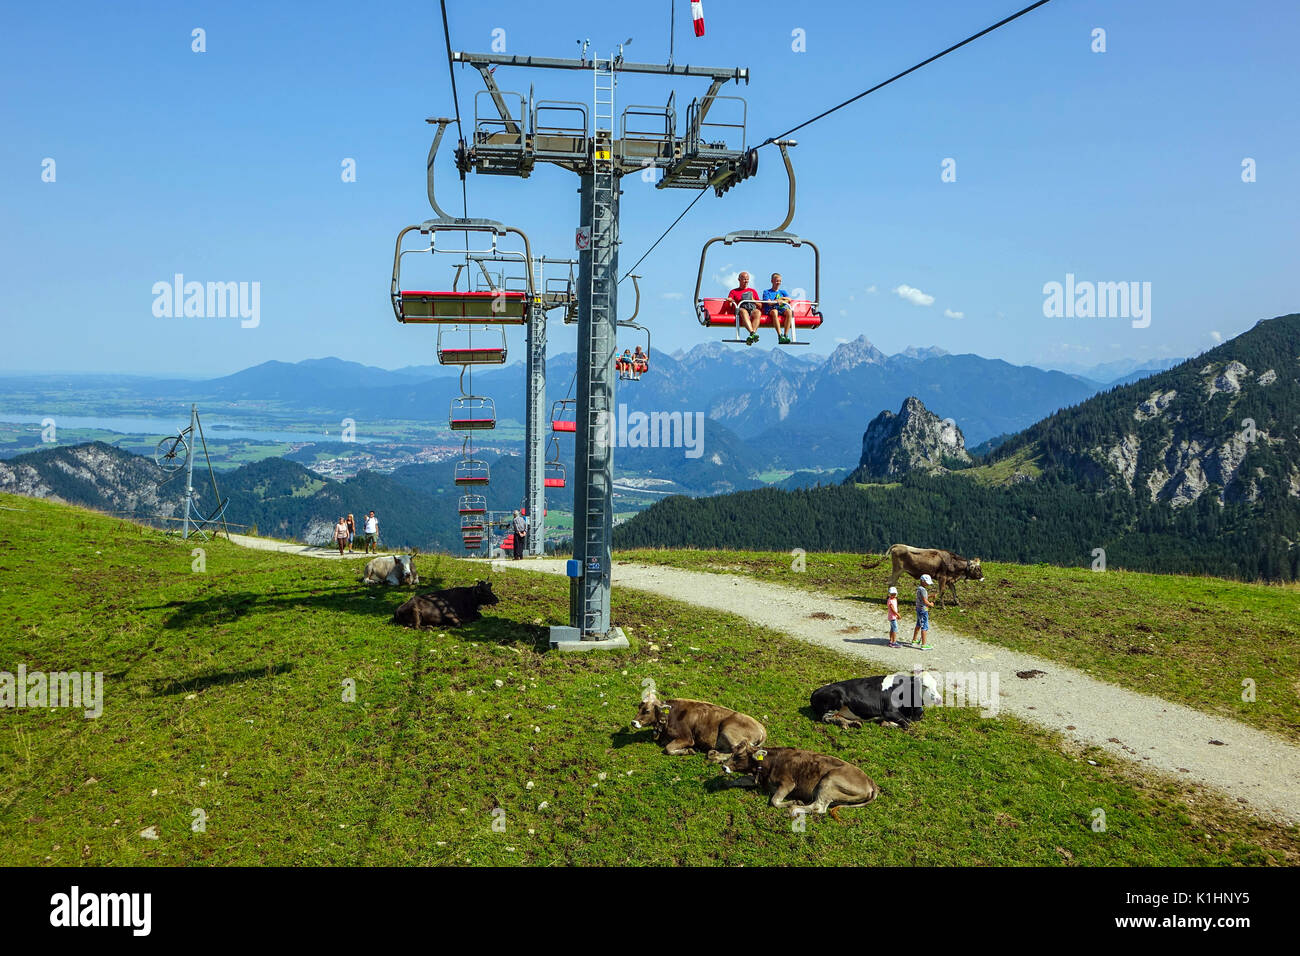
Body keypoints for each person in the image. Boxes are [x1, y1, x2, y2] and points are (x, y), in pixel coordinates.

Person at [721, 271, 763, 345]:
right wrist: (729, 301)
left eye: (747, 279)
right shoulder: (733, 291)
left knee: (758, 312)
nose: (746, 281)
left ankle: (752, 335)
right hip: (740, 310)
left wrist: (753, 300)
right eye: (744, 279)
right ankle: (752, 333)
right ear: (739, 280)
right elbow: (728, 306)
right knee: (743, 311)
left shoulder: (753, 291)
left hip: (751, 309)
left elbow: (760, 305)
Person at [760, 272, 797, 345]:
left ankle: (785, 335)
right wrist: (778, 301)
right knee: (774, 312)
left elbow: (789, 300)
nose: (778, 283)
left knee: (789, 312)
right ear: (772, 281)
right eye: (777, 281)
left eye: (779, 281)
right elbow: (769, 303)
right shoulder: (767, 292)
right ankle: (780, 335)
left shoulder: (782, 292)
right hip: (771, 309)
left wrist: (781, 299)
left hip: (781, 309)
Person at [912, 574, 935, 649]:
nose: (928, 584)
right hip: (923, 610)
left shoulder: (919, 588)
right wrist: (930, 604)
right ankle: (924, 644)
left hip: (918, 609)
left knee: (918, 624)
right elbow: (925, 601)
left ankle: (914, 640)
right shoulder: (923, 590)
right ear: (922, 581)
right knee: (924, 626)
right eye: (927, 582)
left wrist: (930, 596)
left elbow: (922, 597)